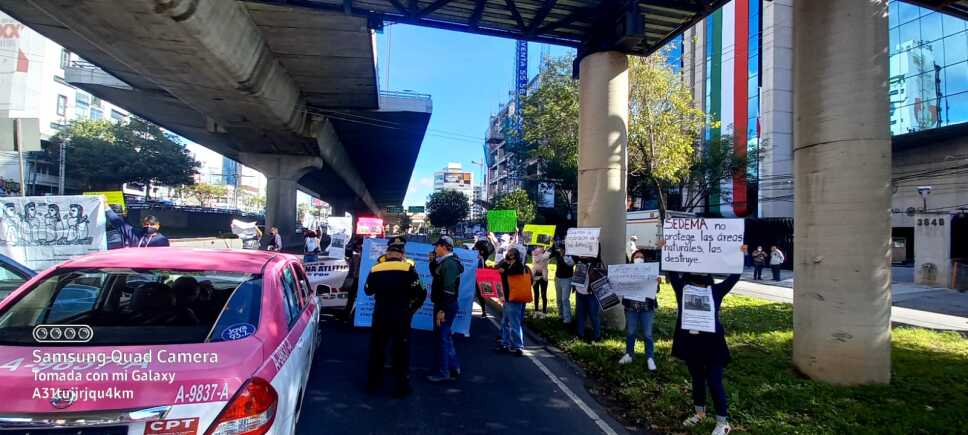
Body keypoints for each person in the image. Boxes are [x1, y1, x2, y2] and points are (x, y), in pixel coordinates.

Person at [665, 243, 744, 435]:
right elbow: (672, 272)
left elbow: (734, 276)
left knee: (714, 381)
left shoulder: (716, 291)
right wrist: (667, 250)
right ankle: (699, 413)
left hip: (713, 345)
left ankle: (722, 422)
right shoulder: (682, 290)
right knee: (697, 379)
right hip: (691, 344)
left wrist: (741, 255)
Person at [363, 241, 426, 397]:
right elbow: (421, 292)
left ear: (388, 253)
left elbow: (367, 290)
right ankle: (401, 386)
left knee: (377, 349)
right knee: (401, 351)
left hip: (381, 314)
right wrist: (412, 310)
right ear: (402, 254)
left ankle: (373, 384)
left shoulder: (375, 269)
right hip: (401, 316)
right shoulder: (409, 269)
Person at [427, 235, 464, 383]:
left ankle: (443, 372)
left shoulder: (449, 264)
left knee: (442, 339)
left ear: (444, 247)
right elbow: (436, 276)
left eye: (437, 246)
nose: (435, 249)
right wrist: (432, 262)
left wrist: (441, 310)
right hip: (445, 304)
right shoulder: (446, 262)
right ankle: (452, 367)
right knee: (445, 337)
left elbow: (448, 289)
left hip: (445, 305)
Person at [619, 249, 659, 370]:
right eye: (636, 257)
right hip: (631, 308)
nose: (639, 259)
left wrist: (657, 283)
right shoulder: (627, 272)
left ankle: (650, 358)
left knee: (647, 334)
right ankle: (629, 354)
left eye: (641, 257)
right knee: (631, 332)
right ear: (632, 259)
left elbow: (656, 291)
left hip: (647, 308)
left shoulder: (650, 272)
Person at [495, 247, 531, 356]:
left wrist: (504, 271)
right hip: (507, 297)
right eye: (508, 253)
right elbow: (497, 267)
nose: (509, 255)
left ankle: (518, 346)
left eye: (511, 254)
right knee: (505, 322)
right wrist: (504, 263)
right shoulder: (508, 264)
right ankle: (505, 343)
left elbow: (513, 272)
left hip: (514, 298)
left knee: (514, 323)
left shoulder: (519, 265)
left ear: (516, 255)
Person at [573, 254, 605, 341]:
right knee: (580, 315)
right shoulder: (578, 261)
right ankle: (580, 335)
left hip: (591, 294)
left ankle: (597, 336)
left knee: (594, 316)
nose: (582, 254)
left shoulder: (596, 264)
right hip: (579, 292)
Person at [106, 207, 170, 248]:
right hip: (135, 267)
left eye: (152, 224)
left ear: (158, 226)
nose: (148, 226)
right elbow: (118, 223)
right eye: (146, 224)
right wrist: (107, 208)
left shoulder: (162, 240)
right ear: (142, 225)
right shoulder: (135, 233)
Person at [550, 242, 574, 324]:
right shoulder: (558, 254)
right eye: (561, 249)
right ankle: (561, 315)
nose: (561, 251)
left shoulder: (570, 257)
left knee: (565, 299)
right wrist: (552, 243)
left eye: (563, 249)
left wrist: (564, 256)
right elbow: (552, 252)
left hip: (567, 279)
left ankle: (567, 319)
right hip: (558, 278)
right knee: (559, 299)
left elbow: (570, 264)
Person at [472, 238, 494, 319]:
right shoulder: (476, 254)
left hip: (479, 276)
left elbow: (491, 250)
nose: (475, 249)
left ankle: (484, 311)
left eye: (476, 248)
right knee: (480, 294)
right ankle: (483, 311)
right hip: (478, 276)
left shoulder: (483, 256)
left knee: (480, 294)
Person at [530, 246, 552, 314]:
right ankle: (536, 310)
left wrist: (547, 251)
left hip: (543, 276)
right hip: (535, 275)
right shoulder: (534, 254)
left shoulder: (546, 254)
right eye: (538, 247)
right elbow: (536, 260)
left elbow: (546, 257)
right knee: (536, 294)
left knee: (543, 294)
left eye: (541, 247)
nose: (539, 249)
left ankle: (544, 311)